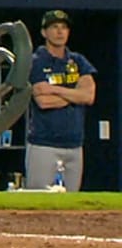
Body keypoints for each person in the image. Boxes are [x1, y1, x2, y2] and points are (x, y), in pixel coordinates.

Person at [26, 10, 95, 190]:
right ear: (44, 32)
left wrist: (54, 89)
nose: (60, 32)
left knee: (71, 200)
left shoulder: (78, 61)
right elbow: (44, 101)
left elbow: (88, 96)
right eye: (54, 27)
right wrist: (74, 95)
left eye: (64, 28)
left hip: (75, 143)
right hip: (44, 143)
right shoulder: (36, 61)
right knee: (39, 198)